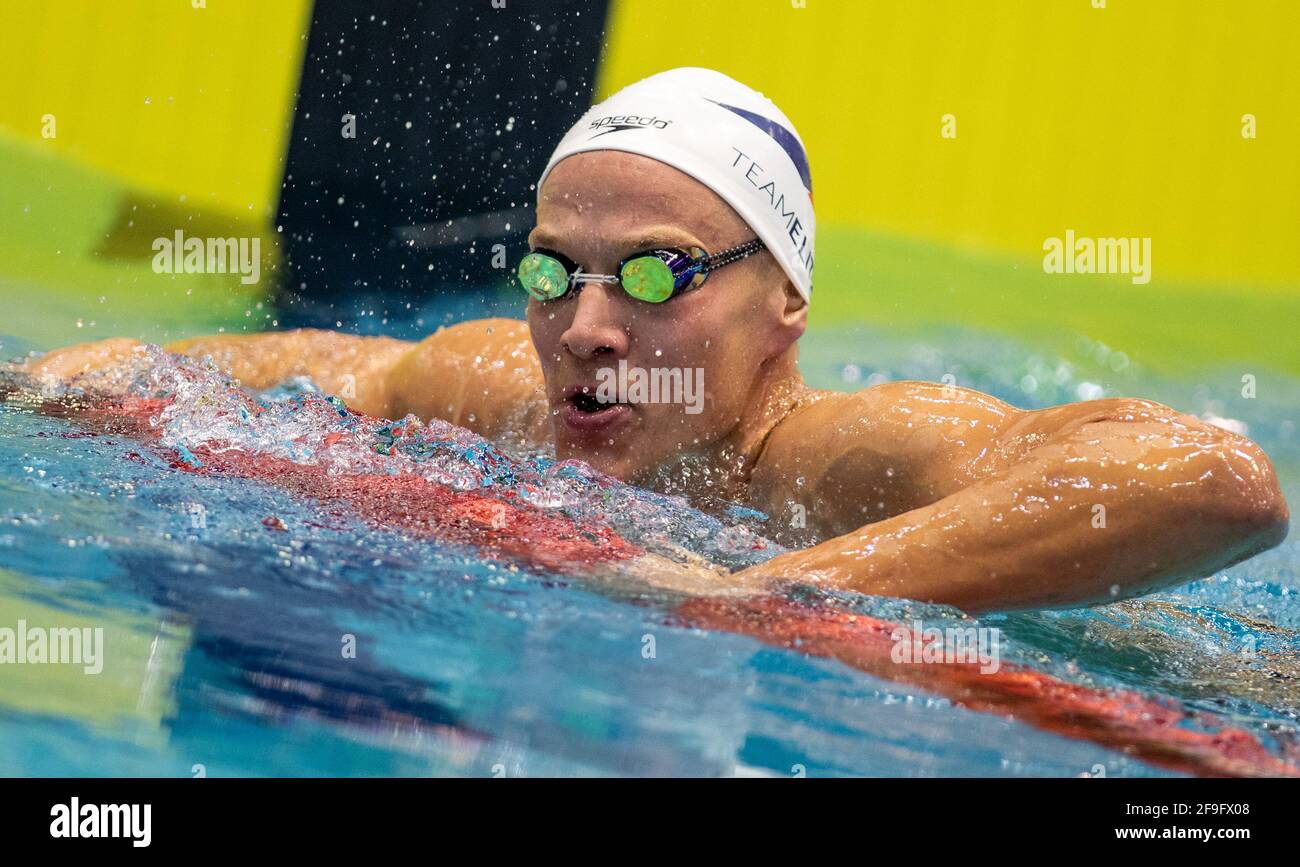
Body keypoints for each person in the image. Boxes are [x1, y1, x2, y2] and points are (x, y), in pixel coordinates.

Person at [20, 68, 1288, 612]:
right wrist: (70, 381)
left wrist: (767, 595)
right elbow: (292, 370)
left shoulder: (847, 459)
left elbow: (1218, 484)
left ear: (784, 298)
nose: (584, 329)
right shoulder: (500, 398)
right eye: (552, 273)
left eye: (652, 276)